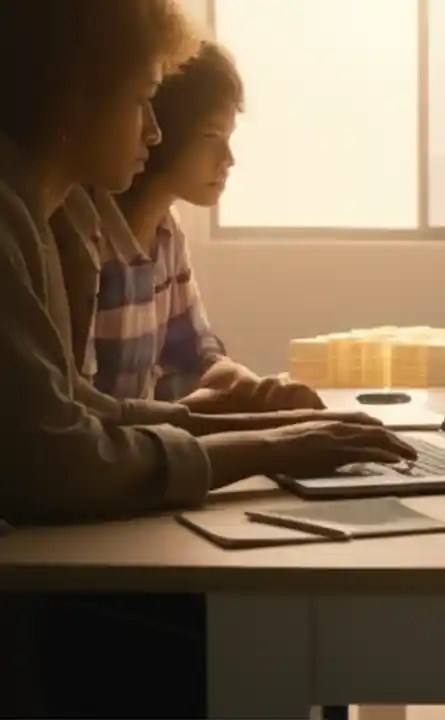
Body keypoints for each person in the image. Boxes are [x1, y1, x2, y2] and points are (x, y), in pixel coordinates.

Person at [0, 0, 416, 523]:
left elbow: (79, 407)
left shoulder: (33, 217)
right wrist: (271, 448)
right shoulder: (30, 230)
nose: (153, 132)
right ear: (73, 100)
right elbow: (61, 459)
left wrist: (277, 433)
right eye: (141, 101)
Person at [79, 41, 323, 412]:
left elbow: (195, 355)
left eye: (229, 138)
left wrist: (259, 392)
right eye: (211, 137)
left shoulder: (167, 232)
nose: (228, 159)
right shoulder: (87, 235)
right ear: (163, 128)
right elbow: (88, 413)